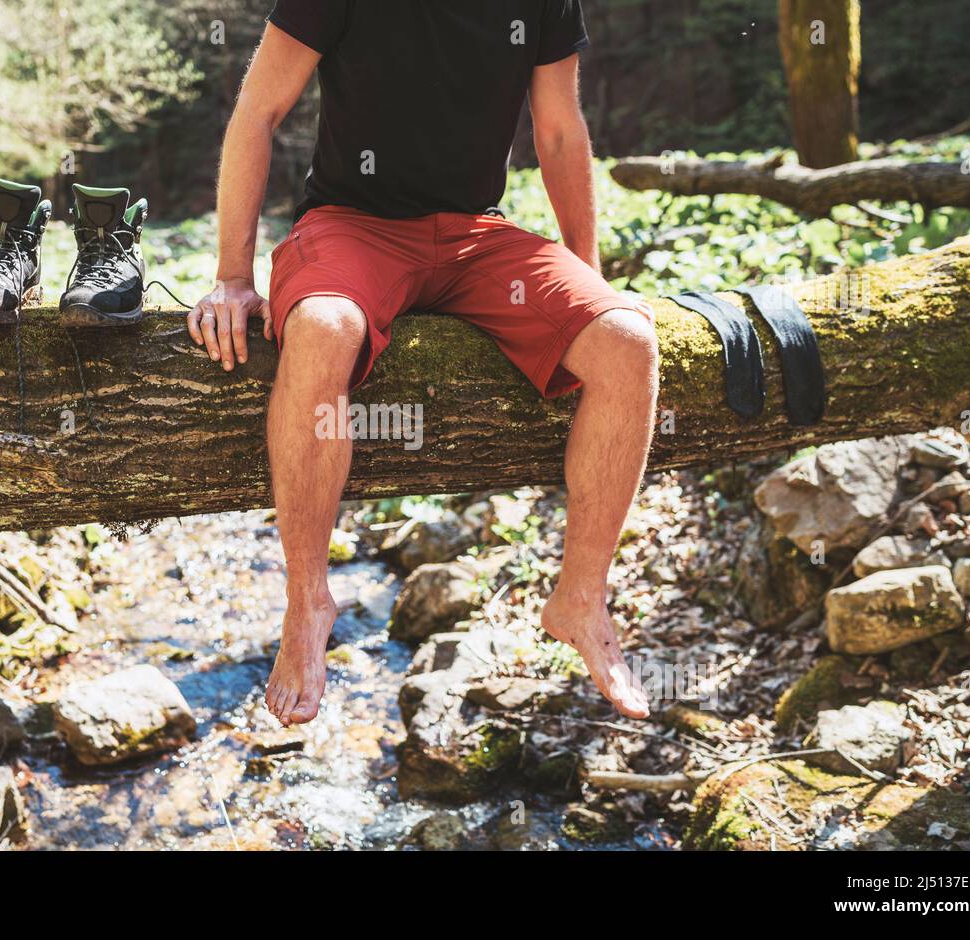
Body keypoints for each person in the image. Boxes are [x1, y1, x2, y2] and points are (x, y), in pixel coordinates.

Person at [189, 0, 659, 726]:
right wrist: (231, 273)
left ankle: (581, 597)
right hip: (352, 227)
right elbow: (257, 112)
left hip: (479, 238)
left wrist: (586, 278)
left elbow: (560, 133)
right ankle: (308, 599)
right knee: (322, 326)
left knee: (627, 341)